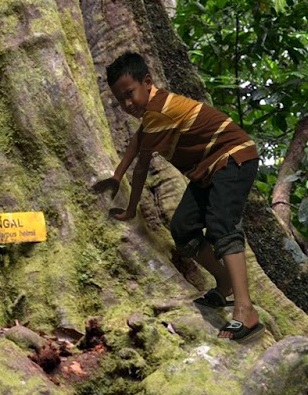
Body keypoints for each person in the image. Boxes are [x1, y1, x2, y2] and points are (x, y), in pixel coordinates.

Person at [92, 52, 264, 342]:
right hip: (209, 169)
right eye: (120, 100)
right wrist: (116, 176)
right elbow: (137, 141)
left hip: (233, 157)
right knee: (183, 230)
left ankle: (246, 311)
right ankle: (224, 284)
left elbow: (143, 165)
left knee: (221, 225)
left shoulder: (160, 113)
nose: (127, 104)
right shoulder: (153, 110)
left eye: (130, 94)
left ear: (147, 82)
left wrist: (131, 208)